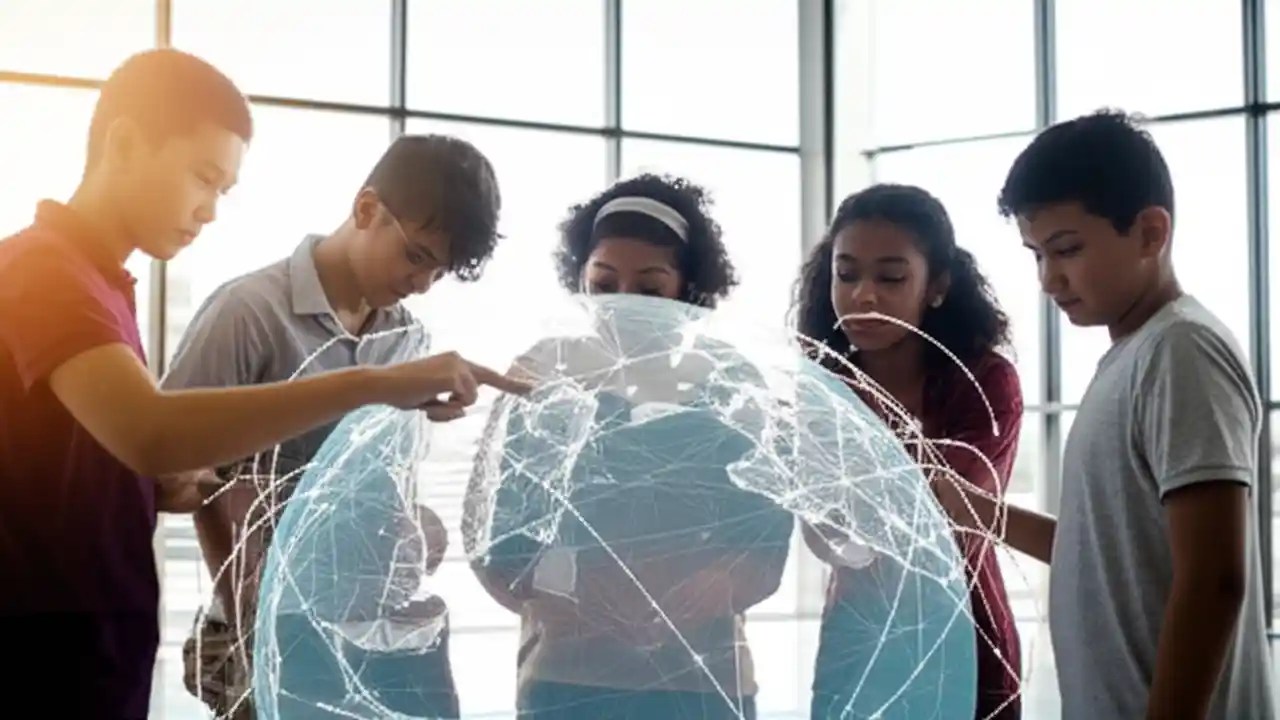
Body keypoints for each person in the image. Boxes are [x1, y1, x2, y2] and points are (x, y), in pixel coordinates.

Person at [0, 49, 525, 719]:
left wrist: (169, 483)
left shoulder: (102, 286)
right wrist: (373, 383)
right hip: (45, 661)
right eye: (203, 177)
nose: (212, 211)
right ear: (125, 142)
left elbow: (127, 459)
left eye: (225, 189)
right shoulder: (46, 273)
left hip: (96, 654)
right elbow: (152, 431)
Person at [164, 133, 502, 719]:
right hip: (260, 625)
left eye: (439, 272)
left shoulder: (406, 339)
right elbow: (176, 474)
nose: (422, 283)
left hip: (360, 632)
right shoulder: (246, 314)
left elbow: (381, 489)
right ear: (366, 209)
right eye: (417, 256)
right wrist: (250, 617)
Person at [966, 109, 1273, 719]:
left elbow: (1214, 578)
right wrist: (977, 512)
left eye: (1068, 249)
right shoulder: (1131, 358)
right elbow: (1098, 552)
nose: (1050, 279)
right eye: (1035, 255)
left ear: (1151, 232)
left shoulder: (1180, 349)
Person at [465, 174, 792, 719]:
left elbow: (767, 531)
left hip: (705, 684)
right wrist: (570, 602)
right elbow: (492, 531)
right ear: (582, 279)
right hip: (566, 680)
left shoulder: (732, 379)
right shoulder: (542, 371)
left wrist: (717, 585)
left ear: (687, 289)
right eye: (605, 284)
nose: (625, 304)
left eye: (649, 288)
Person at [791, 184, 1023, 719]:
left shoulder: (985, 379)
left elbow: (952, 511)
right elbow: (825, 528)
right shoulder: (824, 383)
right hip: (859, 639)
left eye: (891, 277)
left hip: (964, 630)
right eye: (846, 274)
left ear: (937, 285)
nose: (864, 295)